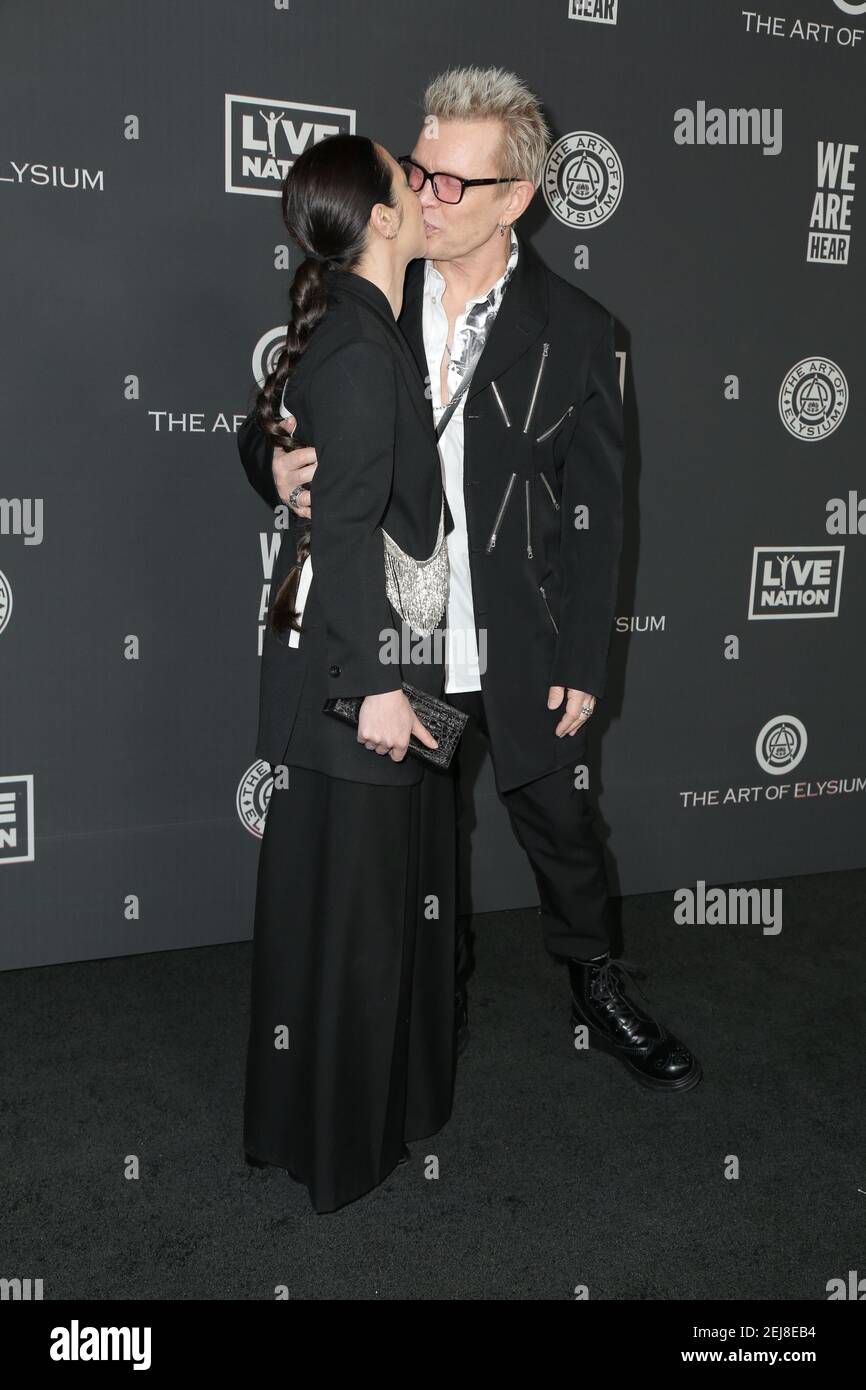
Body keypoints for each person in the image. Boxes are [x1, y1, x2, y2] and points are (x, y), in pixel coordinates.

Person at [239, 67, 702, 1094]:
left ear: (517, 200)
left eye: (454, 183)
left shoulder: (581, 333)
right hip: (393, 638)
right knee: (418, 843)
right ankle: (429, 1000)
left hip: (519, 634)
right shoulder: (371, 296)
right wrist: (266, 464)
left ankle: (595, 982)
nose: (425, 198)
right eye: (419, 172)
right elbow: (276, 411)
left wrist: (584, 653)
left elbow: (598, 515)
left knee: (560, 822)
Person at [240, 132, 458, 1215]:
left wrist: (268, 459)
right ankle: (340, 1146)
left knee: (328, 917)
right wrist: (377, 684)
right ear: (379, 217)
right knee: (361, 928)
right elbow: (353, 530)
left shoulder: (347, 335)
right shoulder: (365, 349)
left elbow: (304, 460)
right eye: (406, 178)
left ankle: (303, 1126)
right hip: (356, 686)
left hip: (324, 681)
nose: (423, 193)